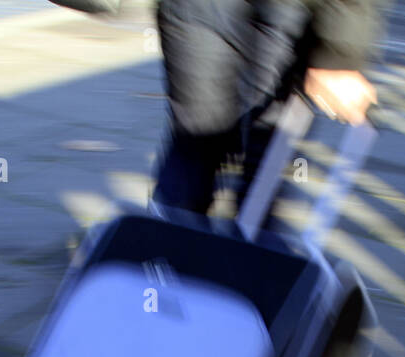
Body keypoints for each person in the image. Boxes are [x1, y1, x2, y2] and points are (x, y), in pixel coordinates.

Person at [152, 0, 389, 216]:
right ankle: (168, 248)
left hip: (287, 11)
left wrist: (339, 53)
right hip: (196, 10)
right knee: (197, 138)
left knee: (265, 155)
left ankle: (241, 253)